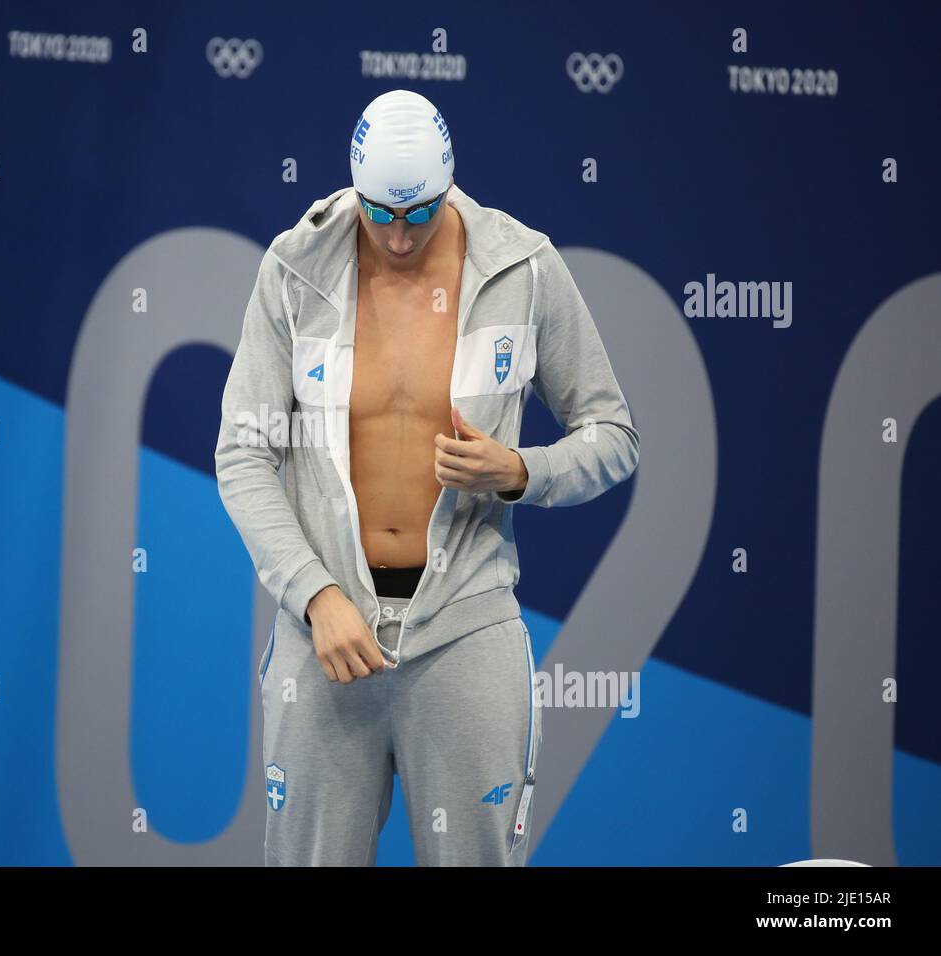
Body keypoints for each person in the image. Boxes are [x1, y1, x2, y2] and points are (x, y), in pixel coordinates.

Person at [215, 89, 639, 866]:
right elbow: (242, 455)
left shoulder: (523, 266)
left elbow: (613, 437)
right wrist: (315, 595)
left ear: (450, 183)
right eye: (381, 213)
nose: (401, 236)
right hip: (326, 638)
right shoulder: (293, 268)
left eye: (421, 212)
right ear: (353, 187)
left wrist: (521, 470)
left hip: (466, 630)